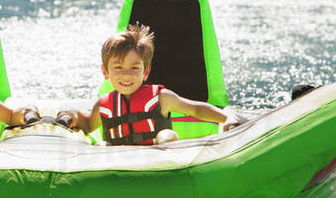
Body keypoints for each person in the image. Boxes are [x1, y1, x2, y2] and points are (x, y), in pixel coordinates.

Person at [58, 23, 236, 145]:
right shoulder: (104, 105)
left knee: (167, 135)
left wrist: (227, 119)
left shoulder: (161, 98)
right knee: (102, 145)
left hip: (159, 158)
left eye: (134, 68)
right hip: (116, 162)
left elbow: (196, 109)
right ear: (105, 72)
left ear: (145, 72)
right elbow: (89, 125)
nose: (126, 74)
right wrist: (73, 115)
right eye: (118, 67)